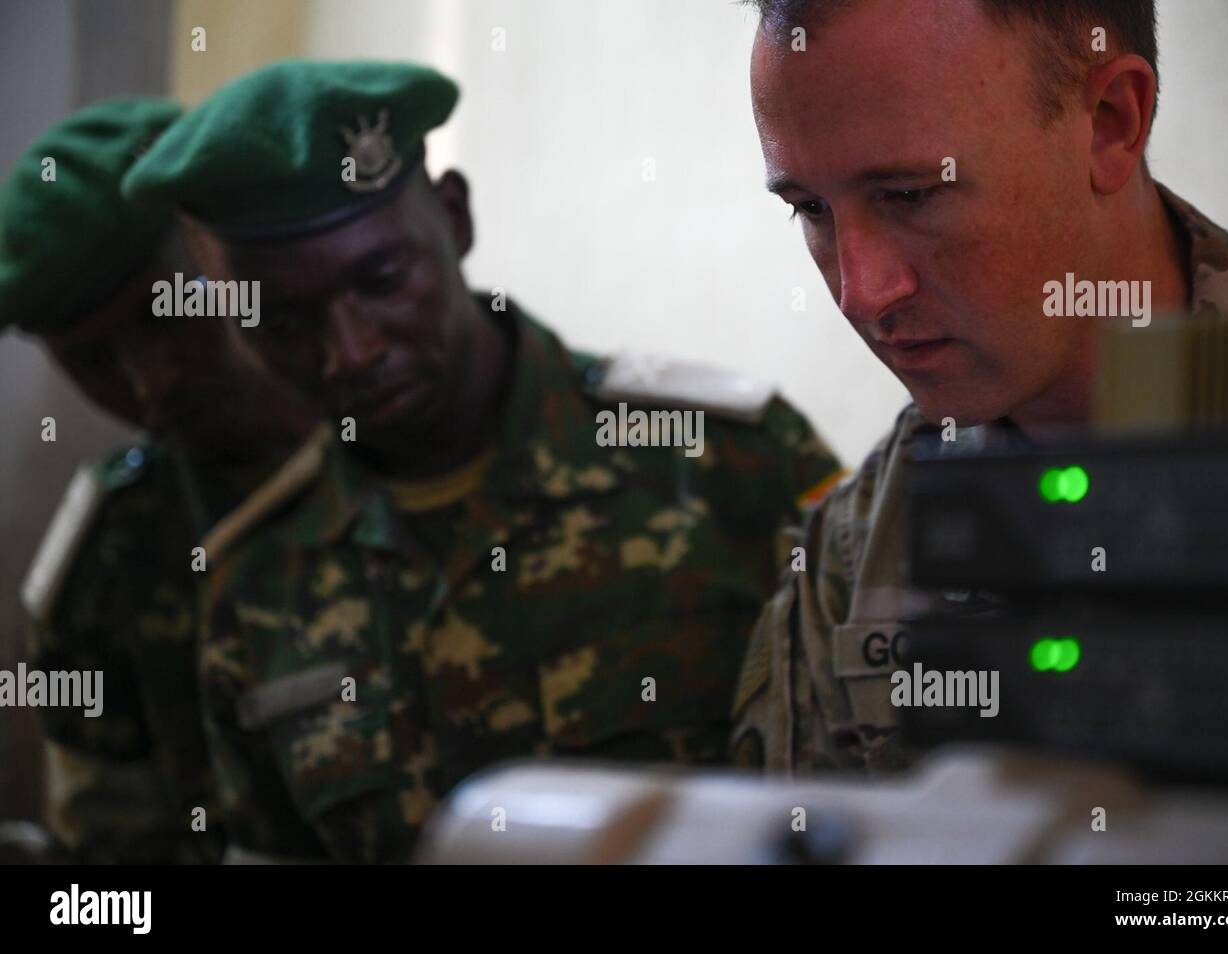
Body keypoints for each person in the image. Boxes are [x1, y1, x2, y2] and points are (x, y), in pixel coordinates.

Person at [123, 59, 844, 863]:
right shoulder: (254, 587)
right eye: (286, 322)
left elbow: (879, 795)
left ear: (455, 218)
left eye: (383, 279)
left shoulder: (727, 463)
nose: (351, 352)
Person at [729, 0, 1228, 772]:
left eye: (909, 195)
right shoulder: (857, 552)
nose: (861, 292)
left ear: (1109, 122)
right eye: (811, 209)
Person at [0, 98, 316, 862]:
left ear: (226, 252)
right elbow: (117, 873)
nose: (149, 383)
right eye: (91, 361)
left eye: (163, 311)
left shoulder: (417, 423)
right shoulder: (112, 553)